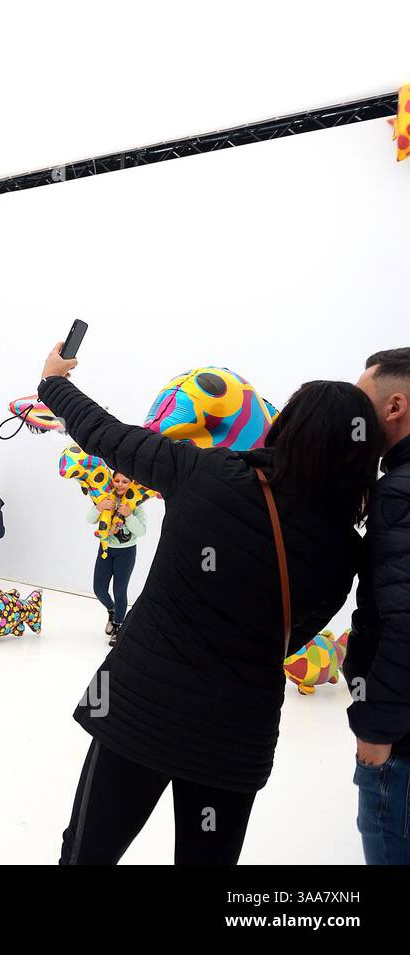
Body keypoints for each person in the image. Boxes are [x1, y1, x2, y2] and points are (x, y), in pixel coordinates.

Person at [39, 343, 380, 865]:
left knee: (87, 853)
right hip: (234, 739)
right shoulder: (346, 551)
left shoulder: (206, 471)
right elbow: (293, 635)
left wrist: (53, 384)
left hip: (139, 711)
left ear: (286, 428)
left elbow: (106, 434)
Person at [348, 347, 410, 864]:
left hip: (400, 741)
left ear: (394, 407)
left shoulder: (399, 492)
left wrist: (375, 732)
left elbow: (404, 622)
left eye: (361, 403)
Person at [90, 471, 148, 645]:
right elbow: (90, 519)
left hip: (126, 552)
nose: (120, 484)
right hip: (105, 550)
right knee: (99, 589)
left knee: (120, 590)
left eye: (125, 481)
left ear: (131, 483)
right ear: (112, 481)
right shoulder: (106, 499)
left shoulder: (136, 504)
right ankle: (112, 610)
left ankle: (118, 625)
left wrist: (129, 515)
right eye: (117, 480)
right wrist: (99, 507)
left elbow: (141, 531)